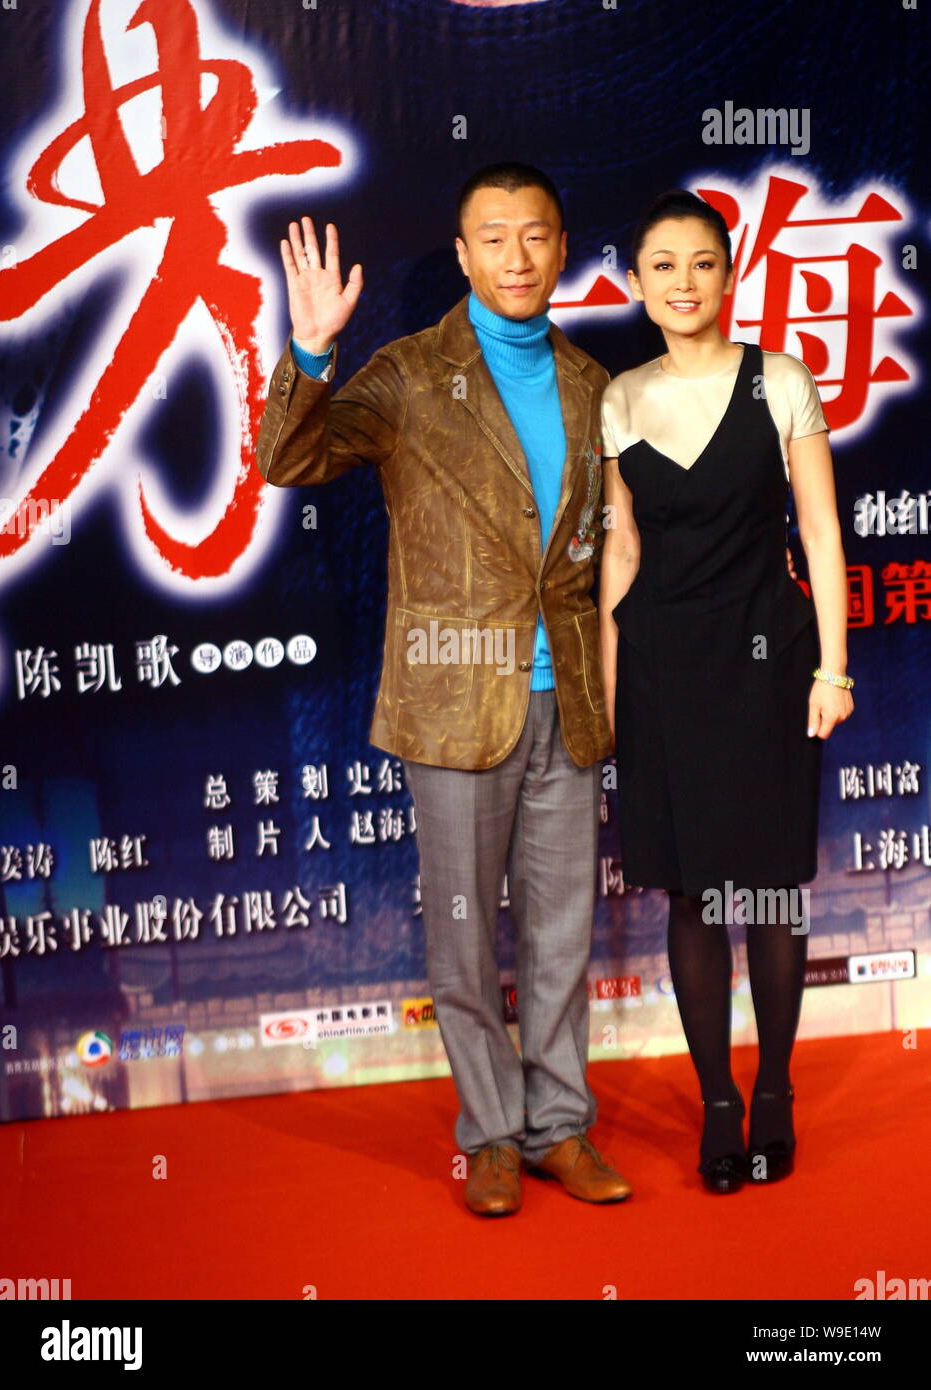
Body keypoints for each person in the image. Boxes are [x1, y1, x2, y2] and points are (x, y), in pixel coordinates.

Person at [256, 163, 631, 1215]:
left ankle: (561, 1127)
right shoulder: (410, 372)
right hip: (451, 701)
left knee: (561, 932)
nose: (517, 257)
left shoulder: (592, 384)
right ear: (462, 256)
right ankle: (492, 1134)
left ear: (562, 250)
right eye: (494, 239)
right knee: (464, 933)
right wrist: (311, 350)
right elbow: (290, 459)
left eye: (536, 236)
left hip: (568, 701)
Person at [598, 189, 854, 1194]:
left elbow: (823, 533)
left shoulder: (780, 381)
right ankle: (716, 1104)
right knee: (697, 894)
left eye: (702, 262)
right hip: (664, 670)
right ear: (636, 283)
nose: (683, 283)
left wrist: (832, 667)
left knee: (770, 888)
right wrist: (613, 700)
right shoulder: (617, 399)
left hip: (771, 663)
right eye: (662, 265)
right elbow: (617, 550)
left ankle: (776, 1091)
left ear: (730, 272)